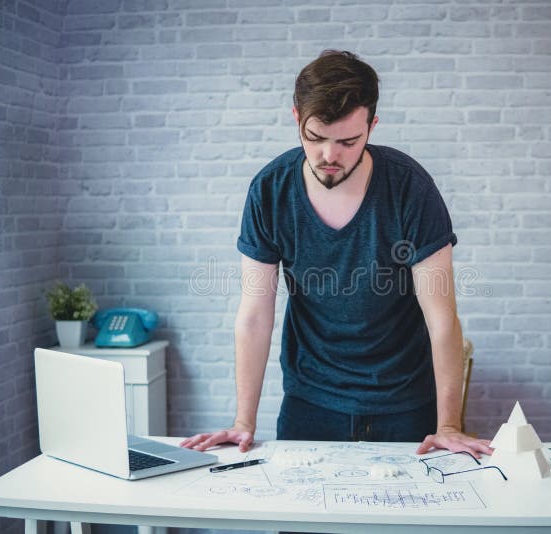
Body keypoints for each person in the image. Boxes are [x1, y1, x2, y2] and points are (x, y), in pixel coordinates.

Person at [181, 50, 493, 459]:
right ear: (297, 119)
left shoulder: (410, 189)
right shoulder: (270, 192)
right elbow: (256, 315)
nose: (330, 155)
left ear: (371, 126)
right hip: (310, 400)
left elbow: (441, 317)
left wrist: (448, 424)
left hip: (404, 402)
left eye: (348, 141)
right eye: (316, 138)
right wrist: (244, 421)